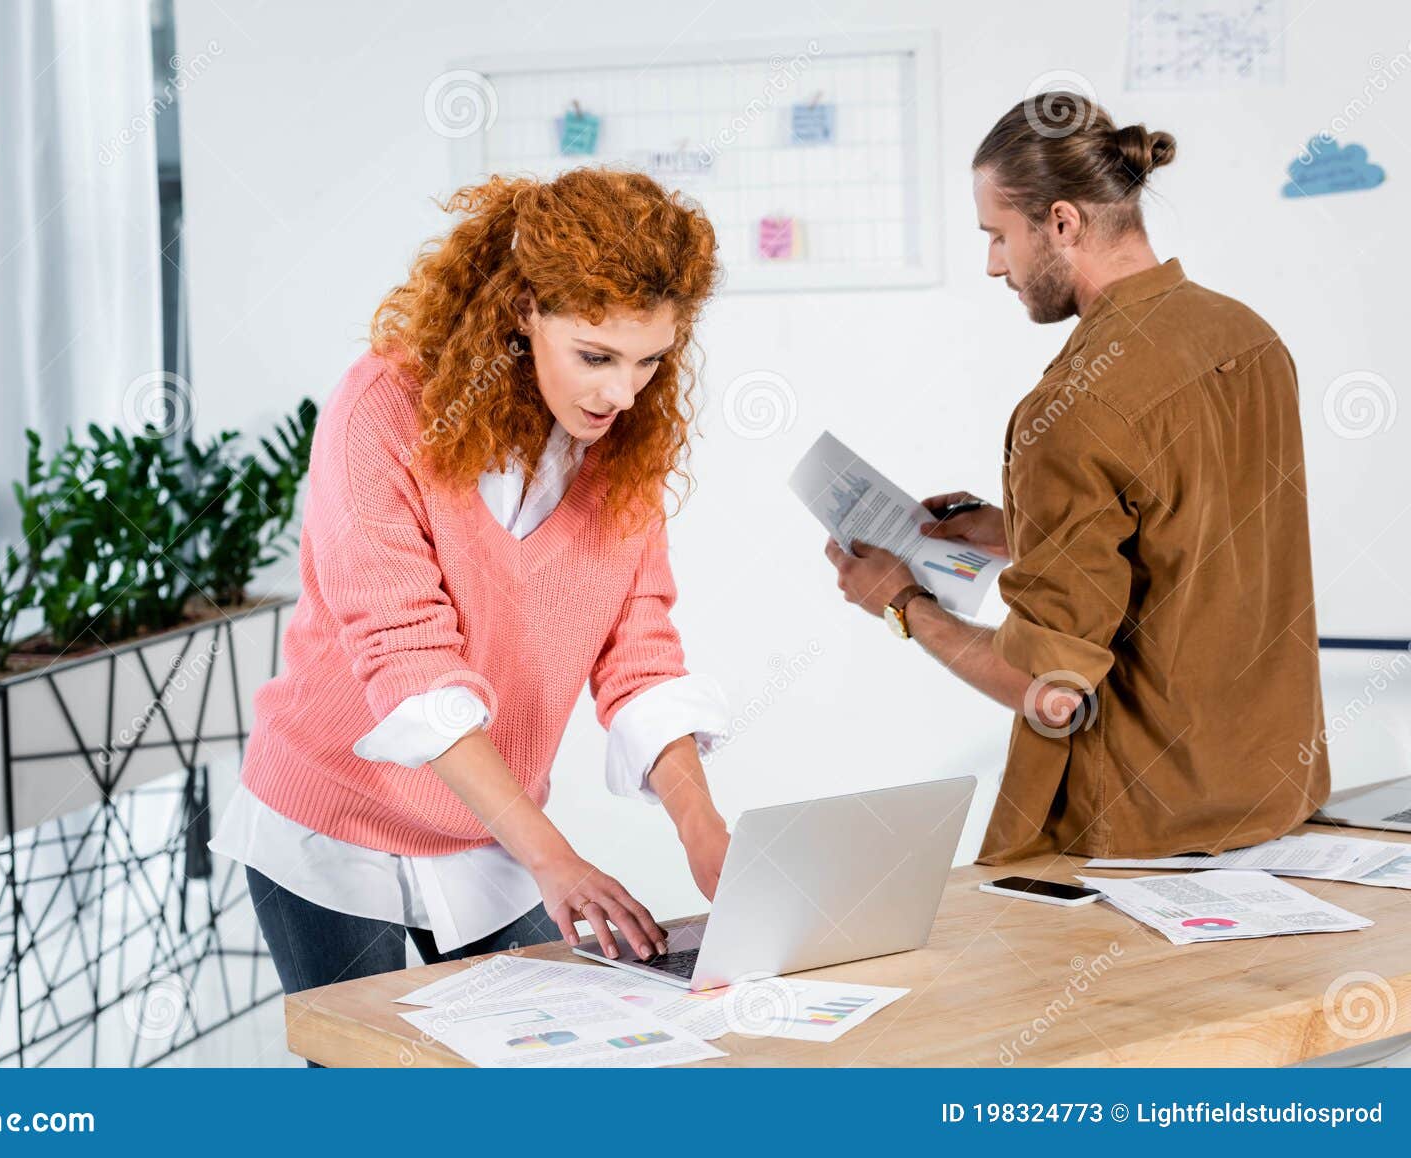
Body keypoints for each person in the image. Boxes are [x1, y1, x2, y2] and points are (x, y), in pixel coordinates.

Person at [210, 169, 733, 1022]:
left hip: (484, 826)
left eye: (649, 361)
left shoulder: (624, 450)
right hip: (334, 819)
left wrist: (702, 827)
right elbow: (407, 661)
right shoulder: (383, 411)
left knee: (533, 1058)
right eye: (595, 357)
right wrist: (554, 858)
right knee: (367, 1089)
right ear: (524, 310)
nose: (622, 394)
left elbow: (638, 652)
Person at [823, 93, 1329, 863]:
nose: (995, 264)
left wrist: (899, 603)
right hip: (1275, 799)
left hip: (1139, 833)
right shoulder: (1248, 334)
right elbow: (1192, 529)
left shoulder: (1071, 410)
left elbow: (1049, 688)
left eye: (998, 236)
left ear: (1061, 223)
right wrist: (1020, 527)